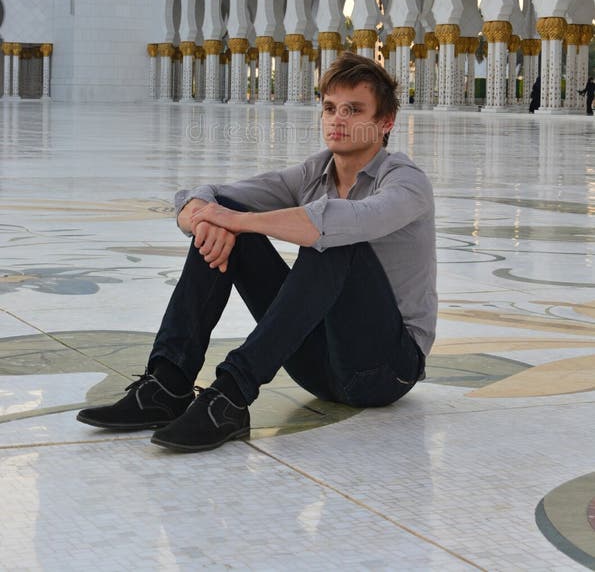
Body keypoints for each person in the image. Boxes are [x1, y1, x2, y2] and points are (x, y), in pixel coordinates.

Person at [77, 53, 436, 453]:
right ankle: (168, 384)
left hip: (385, 369)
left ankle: (231, 396)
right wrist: (207, 219)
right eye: (330, 108)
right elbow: (207, 195)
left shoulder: (406, 182)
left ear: (385, 123)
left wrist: (235, 220)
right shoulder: (312, 173)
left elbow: (341, 221)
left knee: (333, 241)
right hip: (317, 368)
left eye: (354, 110)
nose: (337, 120)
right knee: (227, 222)